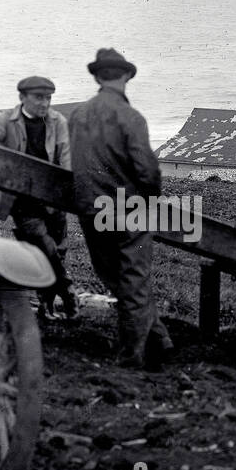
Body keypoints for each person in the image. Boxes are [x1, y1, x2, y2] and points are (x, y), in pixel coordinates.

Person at [70, 48, 173, 369]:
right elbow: (148, 171)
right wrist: (151, 200)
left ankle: (160, 339)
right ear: (126, 76)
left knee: (118, 279)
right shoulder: (131, 118)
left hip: (91, 212)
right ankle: (132, 359)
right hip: (128, 212)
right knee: (134, 283)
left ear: (97, 77)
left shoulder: (77, 116)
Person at [0, 76, 76, 317]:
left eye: (48, 98)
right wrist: (5, 171)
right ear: (22, 97)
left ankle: (45, 304)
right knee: (47, 248)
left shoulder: (57, 121)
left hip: (53, 201)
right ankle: (69, 292)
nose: (44, 103)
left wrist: (67, 185)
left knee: (56, 252)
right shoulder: (4, 121)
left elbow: (66, 157)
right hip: (23, 204)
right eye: (38, 97)